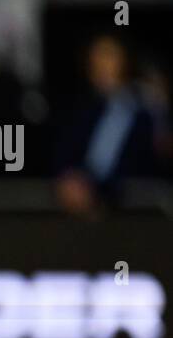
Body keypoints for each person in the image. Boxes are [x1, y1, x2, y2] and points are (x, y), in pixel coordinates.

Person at [54, 35, 156, 216]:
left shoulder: (142, 112)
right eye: (96, 58)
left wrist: (98, 190)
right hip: (77, 213)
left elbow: (143, 166)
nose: (101, 64)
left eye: (109, 56)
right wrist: (70, 179)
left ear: (124, 62)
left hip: (130, 215)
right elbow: (63, 155)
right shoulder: (79, 111)